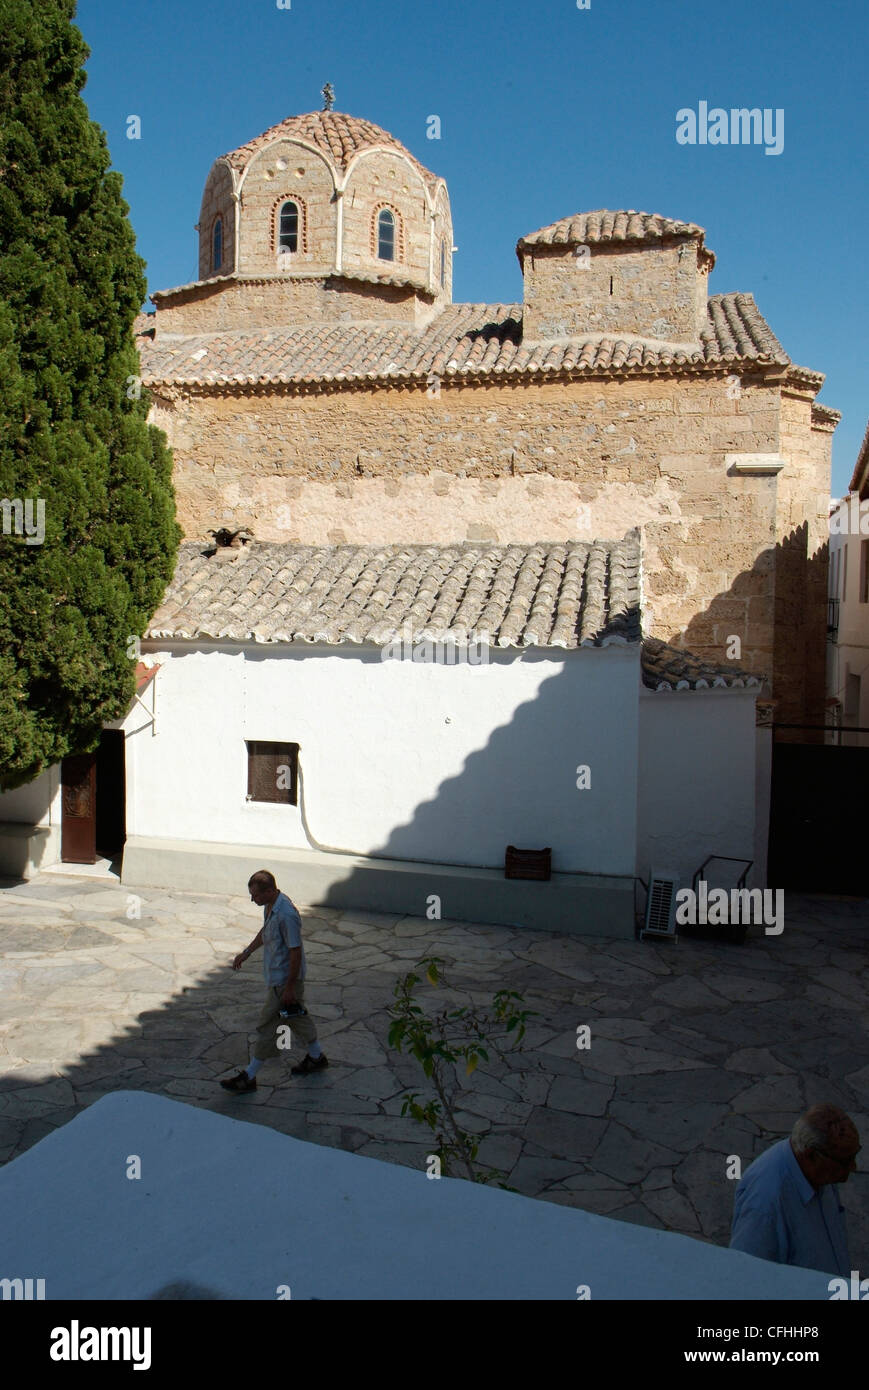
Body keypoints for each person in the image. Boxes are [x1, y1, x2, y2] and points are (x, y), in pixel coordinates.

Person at [220, 870, 328, 1093]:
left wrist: (289, 987)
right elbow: (265, 932)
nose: (253, 900)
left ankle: (249, 1076)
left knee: (267, 1025)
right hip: (279, 980)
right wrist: (247, 952)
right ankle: (316, 1057)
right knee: (297, 1017)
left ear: (269, 891)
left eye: (256, 896)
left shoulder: (286, 914)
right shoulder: (271, 906)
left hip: (284, 981)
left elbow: (295, 951)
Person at [729, 1104, 859, 1276]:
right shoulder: (765, 1202)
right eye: (845, 1161)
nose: (853, 1167)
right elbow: (746, 1276)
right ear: (811, 1155)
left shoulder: (822, 1169)